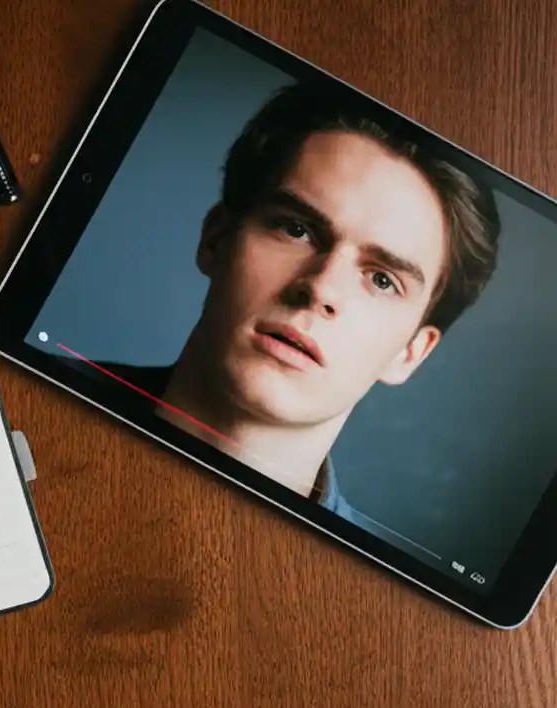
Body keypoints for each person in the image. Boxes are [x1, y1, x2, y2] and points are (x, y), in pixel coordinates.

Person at [99, 81, 501, 544]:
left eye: (382, 280)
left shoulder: (361, 584)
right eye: (296, 229)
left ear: (410, 353)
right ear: (217, 239)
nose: (320, 289)